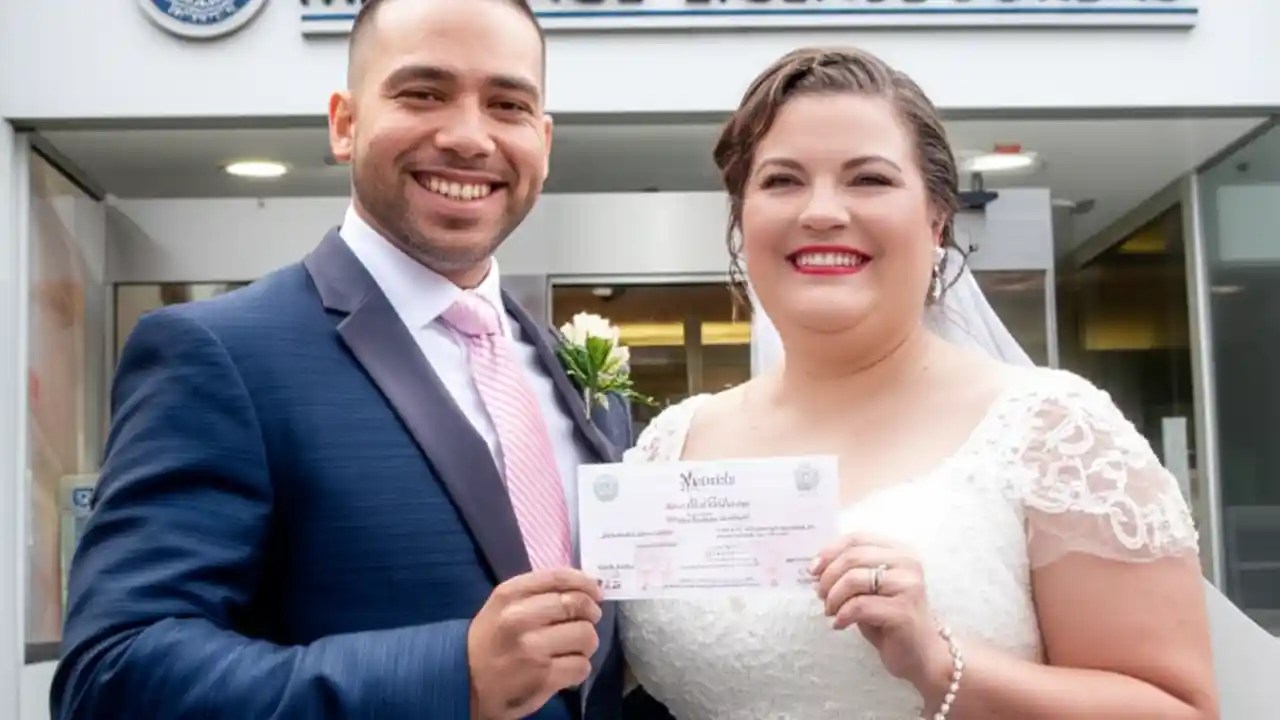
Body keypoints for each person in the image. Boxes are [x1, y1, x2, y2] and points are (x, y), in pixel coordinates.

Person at [50, 1, 632, 718]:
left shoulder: (584, 381)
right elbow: (113, 674)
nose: (468, 136)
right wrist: (453, 675)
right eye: (423, 93)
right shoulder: (219, 354)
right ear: (344, 122)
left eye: (507, 104)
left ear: (542, 140)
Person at [618, 47, 1220, 719]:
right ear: (742, 220)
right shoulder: (674, 445)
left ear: (936, 218)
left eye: (868, 179)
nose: (821, 212)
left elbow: (1181, 709)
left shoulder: (1052, 432)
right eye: (782, 181)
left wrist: (940, 663)